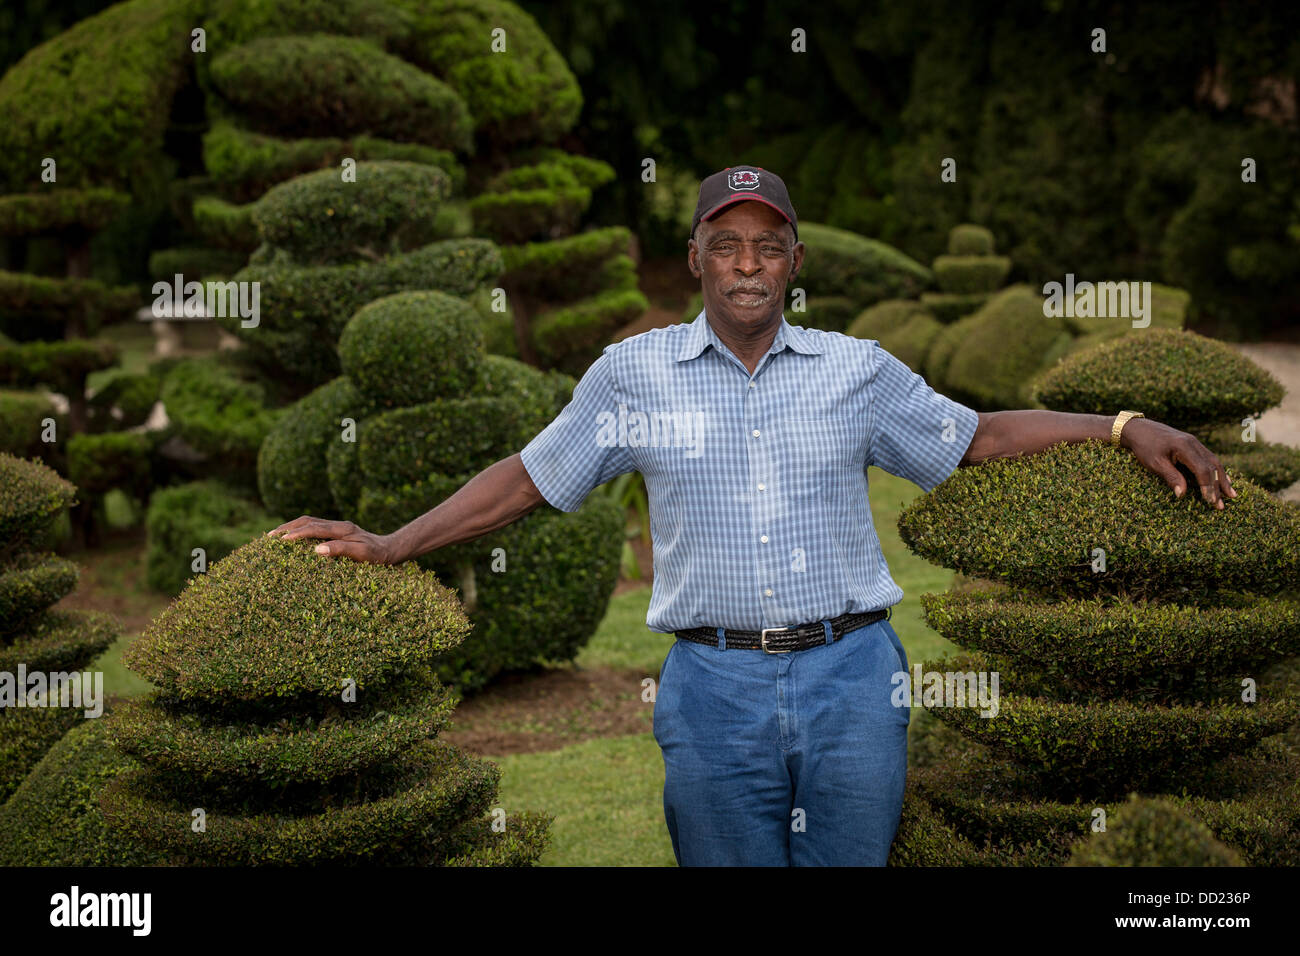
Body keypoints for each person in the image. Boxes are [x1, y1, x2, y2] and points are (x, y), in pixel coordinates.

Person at [269, 164, 1236, 866]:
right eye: (726, 245)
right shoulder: (630, 375)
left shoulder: (853, 370)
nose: (746, 265)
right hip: (712, 687)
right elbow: (527, 477)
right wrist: (394, 544)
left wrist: (1118, 424)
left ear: (793, 261)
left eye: (767, 247)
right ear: (695, 257)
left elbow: (974, 435)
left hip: (854, 680)